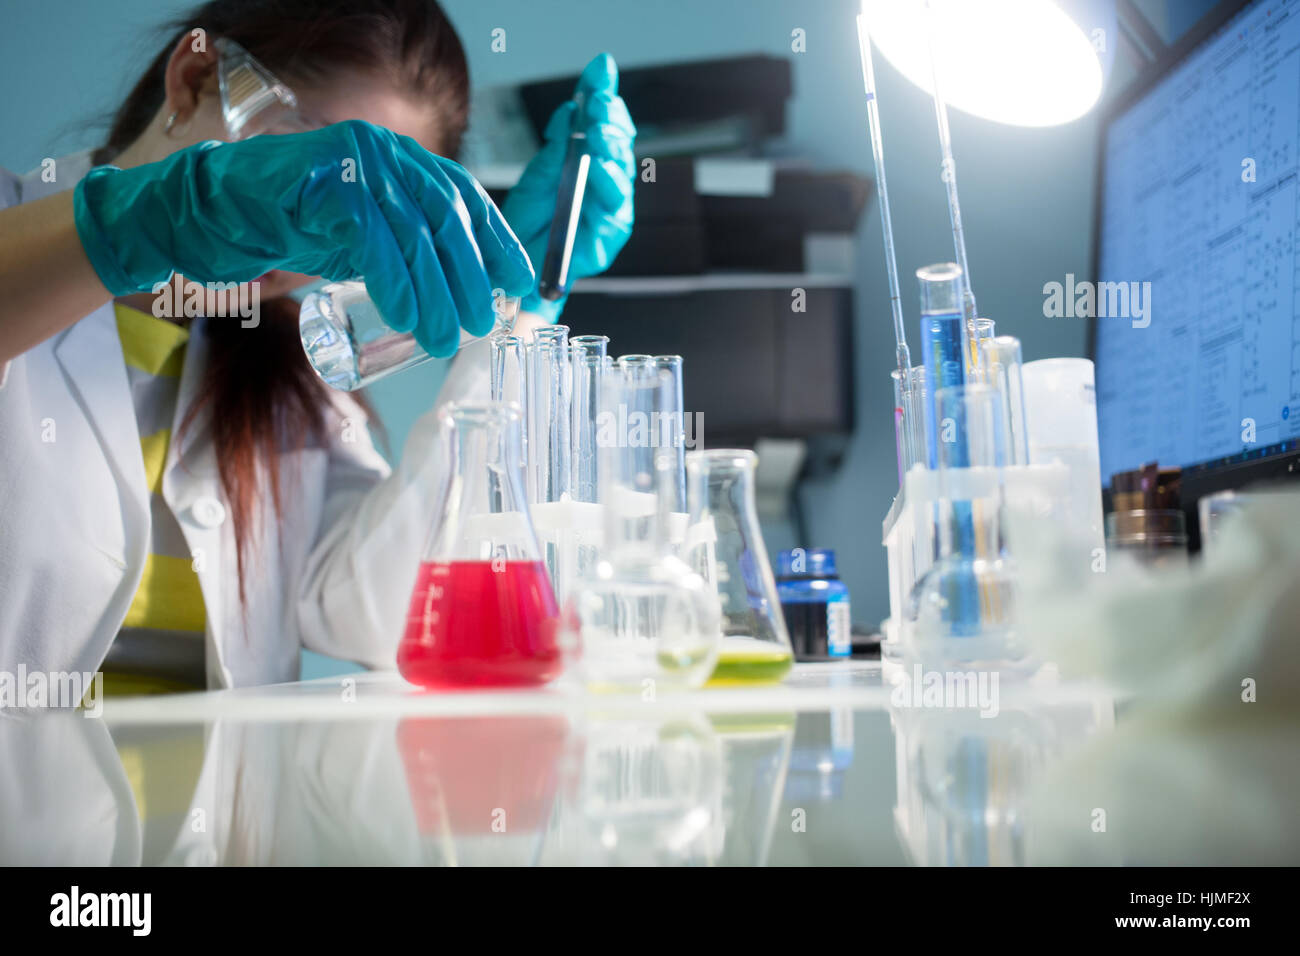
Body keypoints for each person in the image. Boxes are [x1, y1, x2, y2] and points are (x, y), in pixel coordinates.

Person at [0, 0, 636, 693]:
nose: (316, 230)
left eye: (364, 212)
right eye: (308, 166)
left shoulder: (295, 382)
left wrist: (516, 311)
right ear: (193, 77)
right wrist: (142, 220)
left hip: (222, 803)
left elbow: (383, 615)